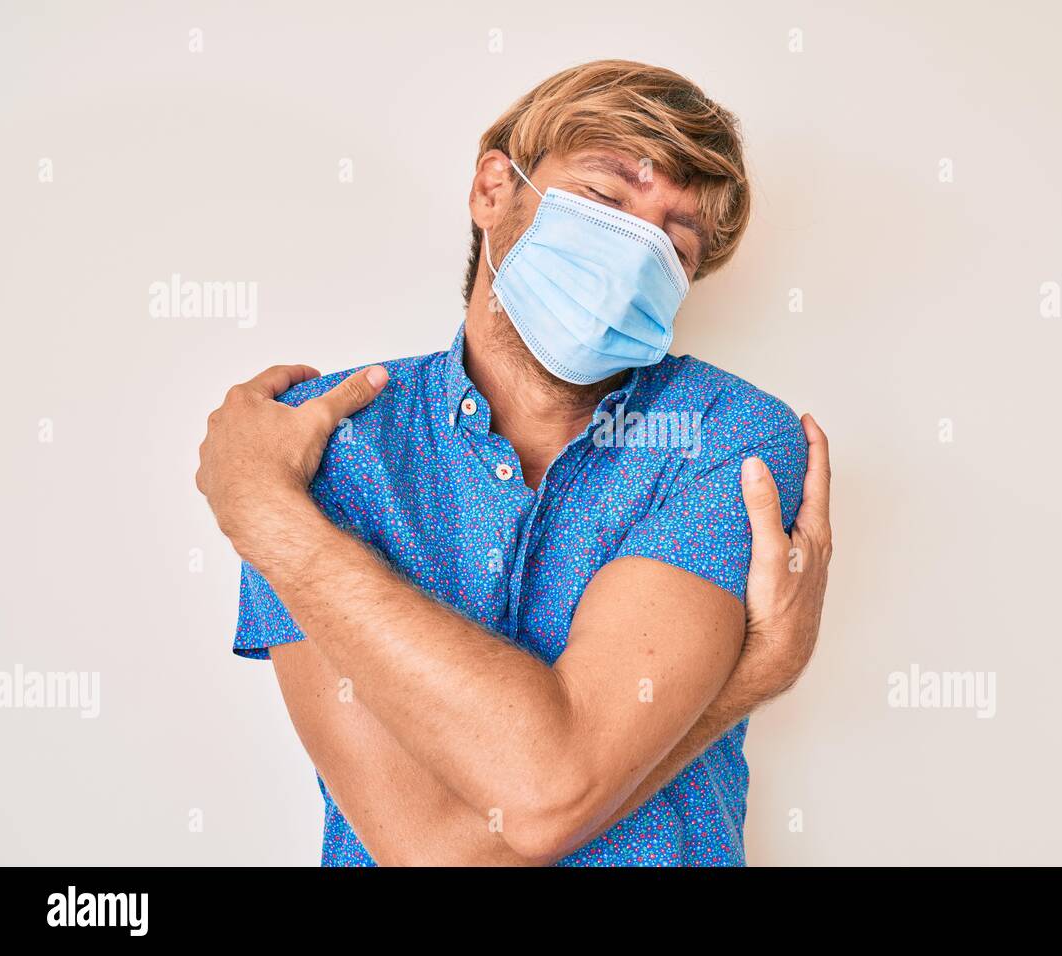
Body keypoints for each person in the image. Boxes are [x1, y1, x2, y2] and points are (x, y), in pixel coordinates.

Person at [196, 59, 832, 866]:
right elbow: (426, 849)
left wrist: (269, 517)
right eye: (606, 200)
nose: (636, 257)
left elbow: (547, 795)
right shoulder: (327, 437)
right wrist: (746, 679)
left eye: (675, 241)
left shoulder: (727, 440)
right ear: (494, 190)